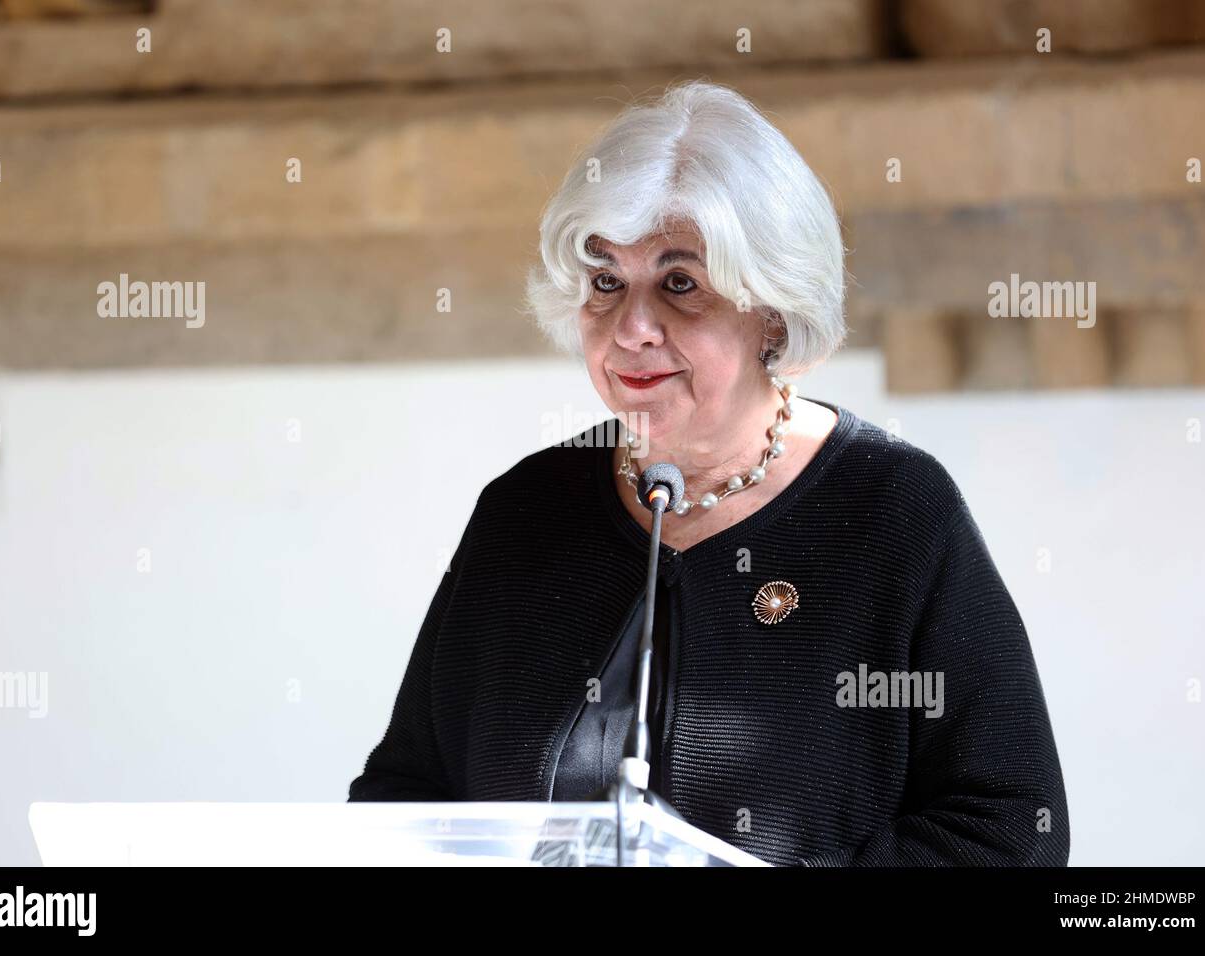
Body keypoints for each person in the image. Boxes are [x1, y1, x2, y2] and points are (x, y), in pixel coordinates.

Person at [348, 79, 1069, 866]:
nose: (632, 329)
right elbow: (402, 796)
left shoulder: (892, 512)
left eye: (680, 282)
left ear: (772, 308)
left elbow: (1007, 831)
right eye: (606, 282)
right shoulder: (525, 510)